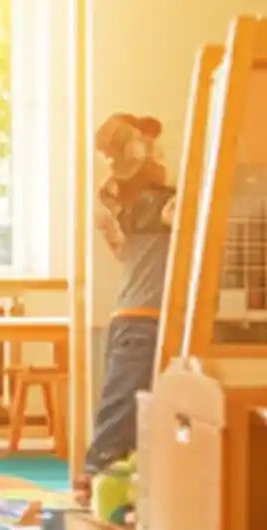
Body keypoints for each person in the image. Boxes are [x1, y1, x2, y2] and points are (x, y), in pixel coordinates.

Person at [77, 113, 176, 507]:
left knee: (130, 410)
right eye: (153, 149)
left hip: (139, 319)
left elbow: (126, 253)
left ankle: (110, 481)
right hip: (142, 322)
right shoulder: (154, 203)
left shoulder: (132, 207)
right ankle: (92, 481)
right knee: (120, 414)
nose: (161, 155)